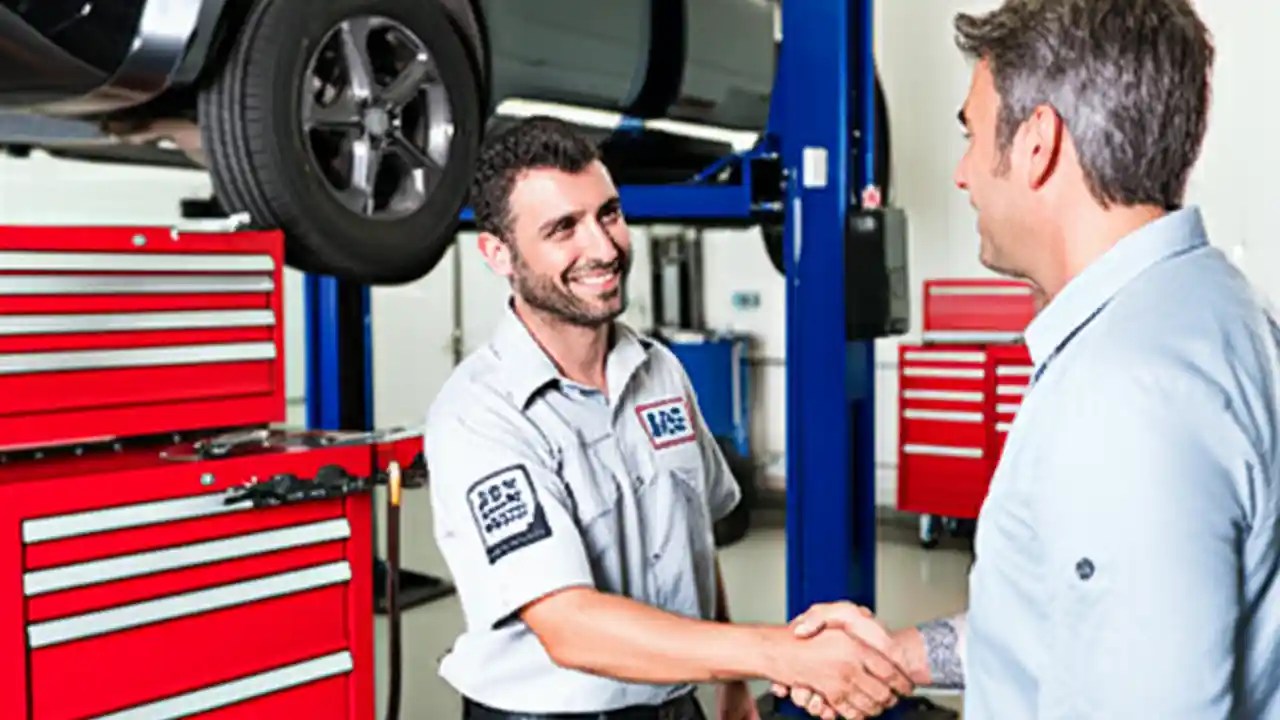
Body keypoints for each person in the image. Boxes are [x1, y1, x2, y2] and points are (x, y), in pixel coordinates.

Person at [774, 0, 1280, 718]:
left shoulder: (1129, 391)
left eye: (972, 135)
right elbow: (1081, 624)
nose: (961, 174)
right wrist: (900, 656)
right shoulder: (1208, 308)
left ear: (1038, 141)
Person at [423, 116, 914, 720]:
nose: (603, 248)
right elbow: (568, 625)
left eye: (608, 214)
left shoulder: (660, 373)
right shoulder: (481, 414)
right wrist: (775, 655)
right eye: (563, 229)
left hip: (676, 704)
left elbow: (694, 542)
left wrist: (733, 686)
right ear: (498, 253)